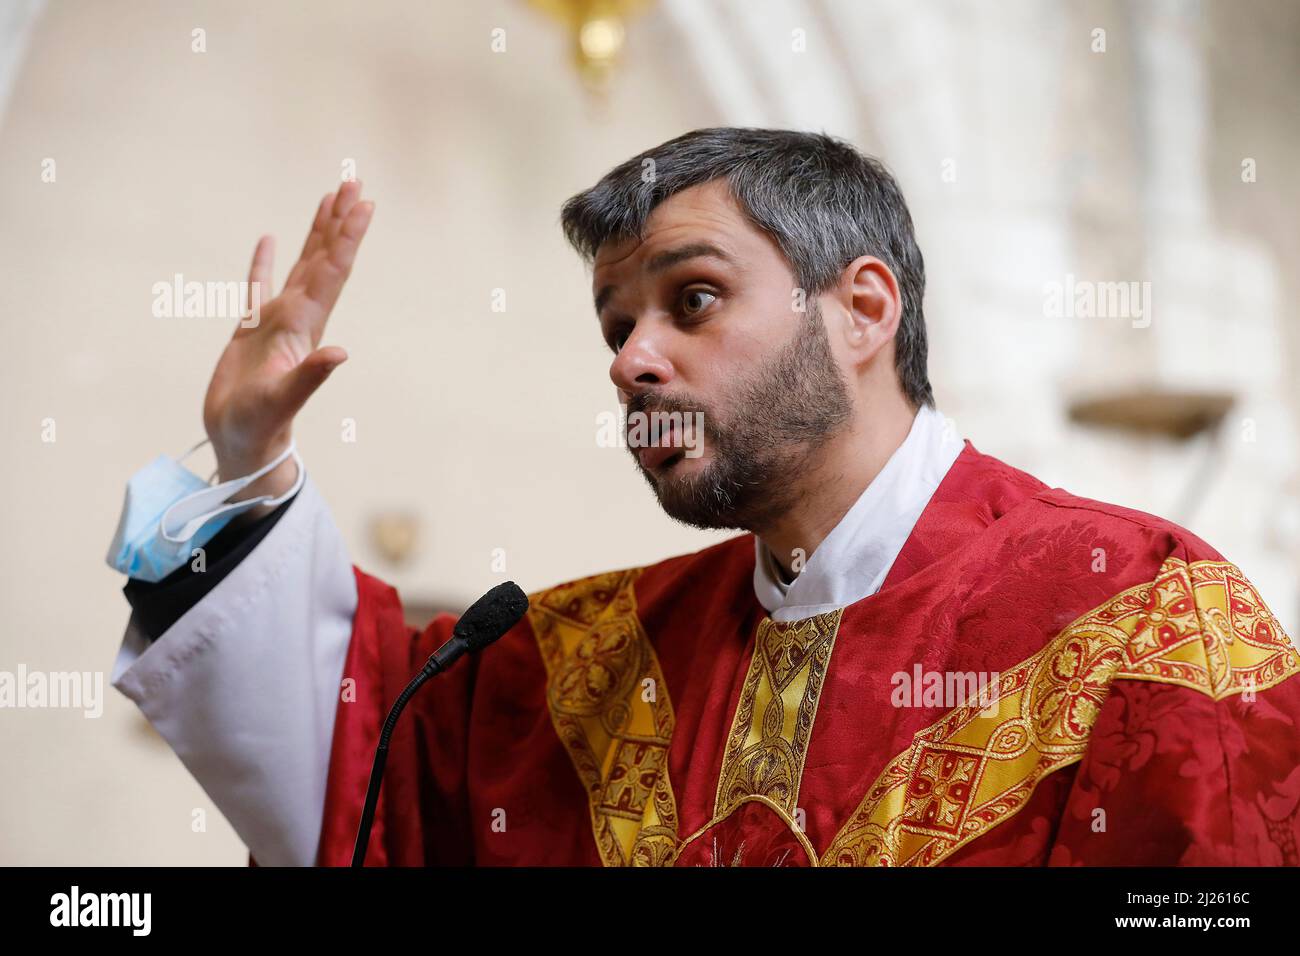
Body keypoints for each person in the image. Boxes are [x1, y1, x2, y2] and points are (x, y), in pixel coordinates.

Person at [109, 128, 1300, 867]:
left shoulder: (1141, 617)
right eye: (616, 323)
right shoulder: (571, 666)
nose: (632, 358)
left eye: (691, 300)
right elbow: (349, 771)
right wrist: (251, 453)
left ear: (863, 310)